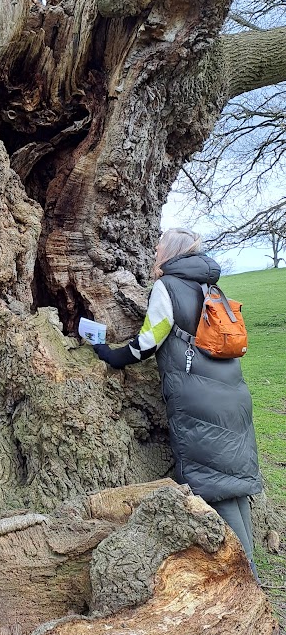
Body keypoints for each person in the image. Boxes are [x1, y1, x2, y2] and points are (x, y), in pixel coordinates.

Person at [90, 227, 262, 578]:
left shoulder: (167, 287)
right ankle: (252, 568)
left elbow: (150, 341)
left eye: (158, 248)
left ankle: (247, 580)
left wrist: (109, 354)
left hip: (198, 399)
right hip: (232, 393)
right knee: (234, 483)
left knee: (215, 487)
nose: (154, 253)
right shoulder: (211, 286)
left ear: (170, 252)